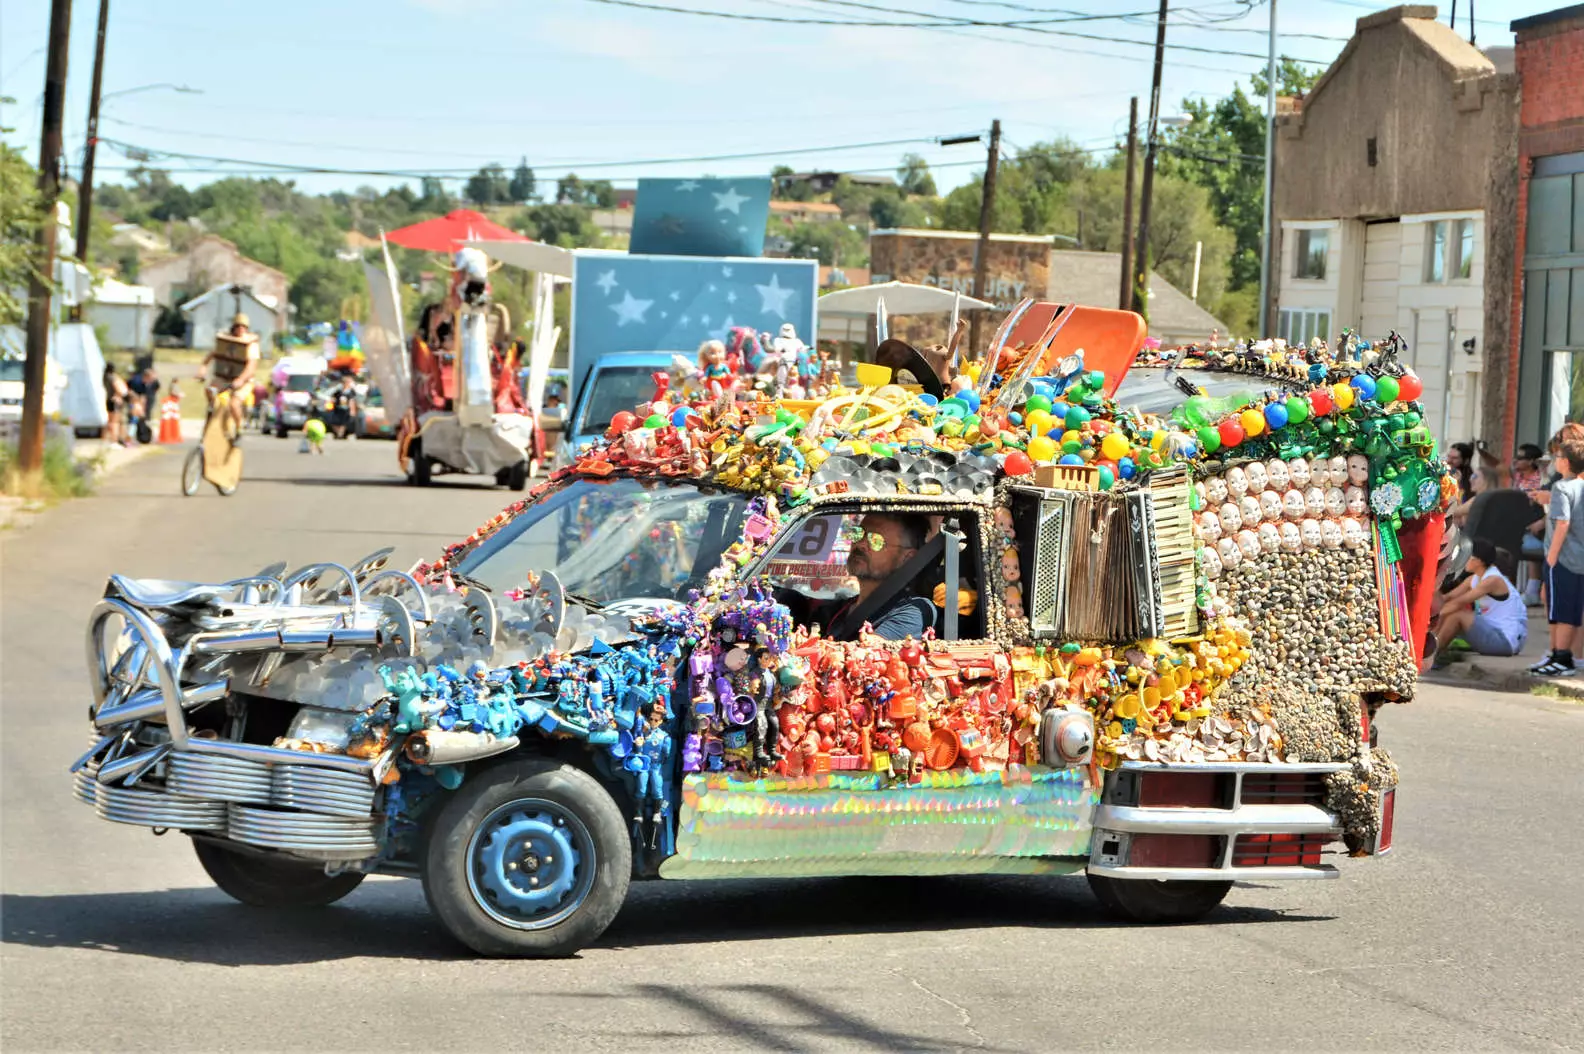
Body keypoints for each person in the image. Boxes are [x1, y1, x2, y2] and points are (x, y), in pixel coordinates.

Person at [820, 513, 935, 641]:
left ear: (907, 558)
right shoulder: (837, 609)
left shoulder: (914, 611)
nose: (861, 544)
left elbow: (866, 655)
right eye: (858, 533)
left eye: (876, 540)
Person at [1533, 440, 1584, 676]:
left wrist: (1551, 557)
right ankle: (1557, 655)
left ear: (1565, 462)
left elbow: (1563, 523)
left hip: (1562, 558)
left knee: (1560, 608)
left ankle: (1562, 657)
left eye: (1558, 457)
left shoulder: (1562, 488)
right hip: (1578, 557)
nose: (1555, 461)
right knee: (1568, 607)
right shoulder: (1580, 486)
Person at [1432, 540, 1527, 663]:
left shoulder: (1493, 580)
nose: (1464, 560)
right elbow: (1447, 598)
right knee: (1450, 612)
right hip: (1492, 634)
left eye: (1468, 556)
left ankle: (1431, 655)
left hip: (1505, 641)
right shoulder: (1475, 578)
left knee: (1458, 614)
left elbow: (1457, 603)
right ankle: (1430, 650)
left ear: (1479, 561)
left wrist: (1430, 621)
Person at [199, 313, 261, 436]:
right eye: (237, 326)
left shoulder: (251, 344)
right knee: (210, 390)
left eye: (243, 327)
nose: (240, 329)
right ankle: (214, 412)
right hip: (224, 376)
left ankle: (238, 428)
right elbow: (211, 355)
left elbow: (251, 366)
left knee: (234, 403)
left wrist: (241, 380)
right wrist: (202, 369)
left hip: (244, 380)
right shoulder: (225, 341)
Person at [326, 373, 361, 439]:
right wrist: (331, 402)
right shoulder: (339, 391)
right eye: (345, 382)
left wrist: (352, 410)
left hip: (346, 409)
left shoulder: (351, 392)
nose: (346, 384)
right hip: (338, 408)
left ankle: (340, 434)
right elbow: (333, 398)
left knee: (344, 423)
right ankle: (338, 433)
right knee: (334, 422)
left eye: (348, 382)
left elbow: (352, 401)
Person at [102, 364, 129, 447]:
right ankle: (114, 440)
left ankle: (104, 439)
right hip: (115, 400)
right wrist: (121, 395)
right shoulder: (113, 378)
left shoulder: (105, 377)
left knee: (109, 421)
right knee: (115, 422)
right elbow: (118, 388)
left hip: (108, 399)